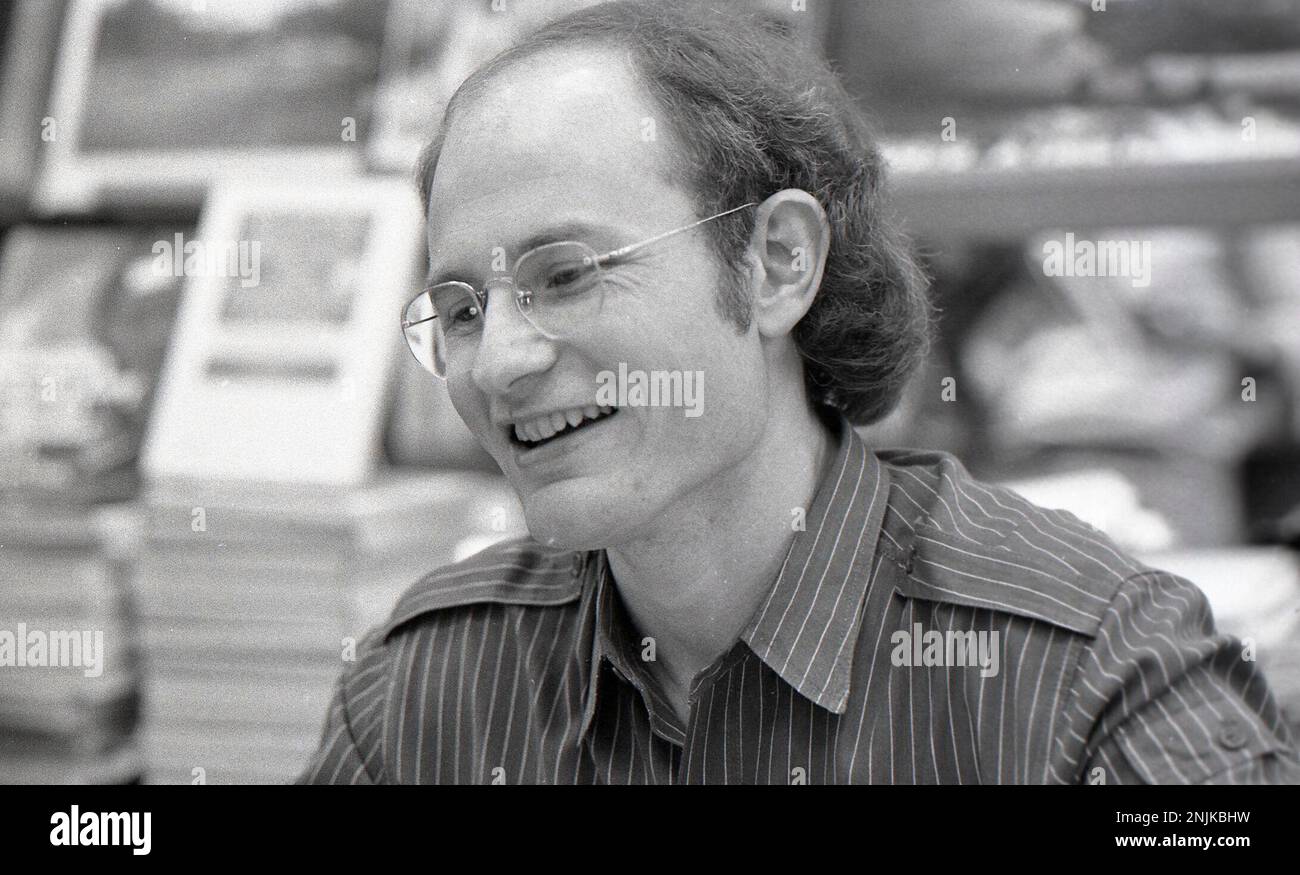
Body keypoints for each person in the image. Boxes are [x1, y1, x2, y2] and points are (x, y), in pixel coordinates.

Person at [299, 0, 1299, 784]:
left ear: (776, 262)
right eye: (461, 306)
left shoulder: (1092, 674)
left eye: (567, 274)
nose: (498, 361)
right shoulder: (426, 681)